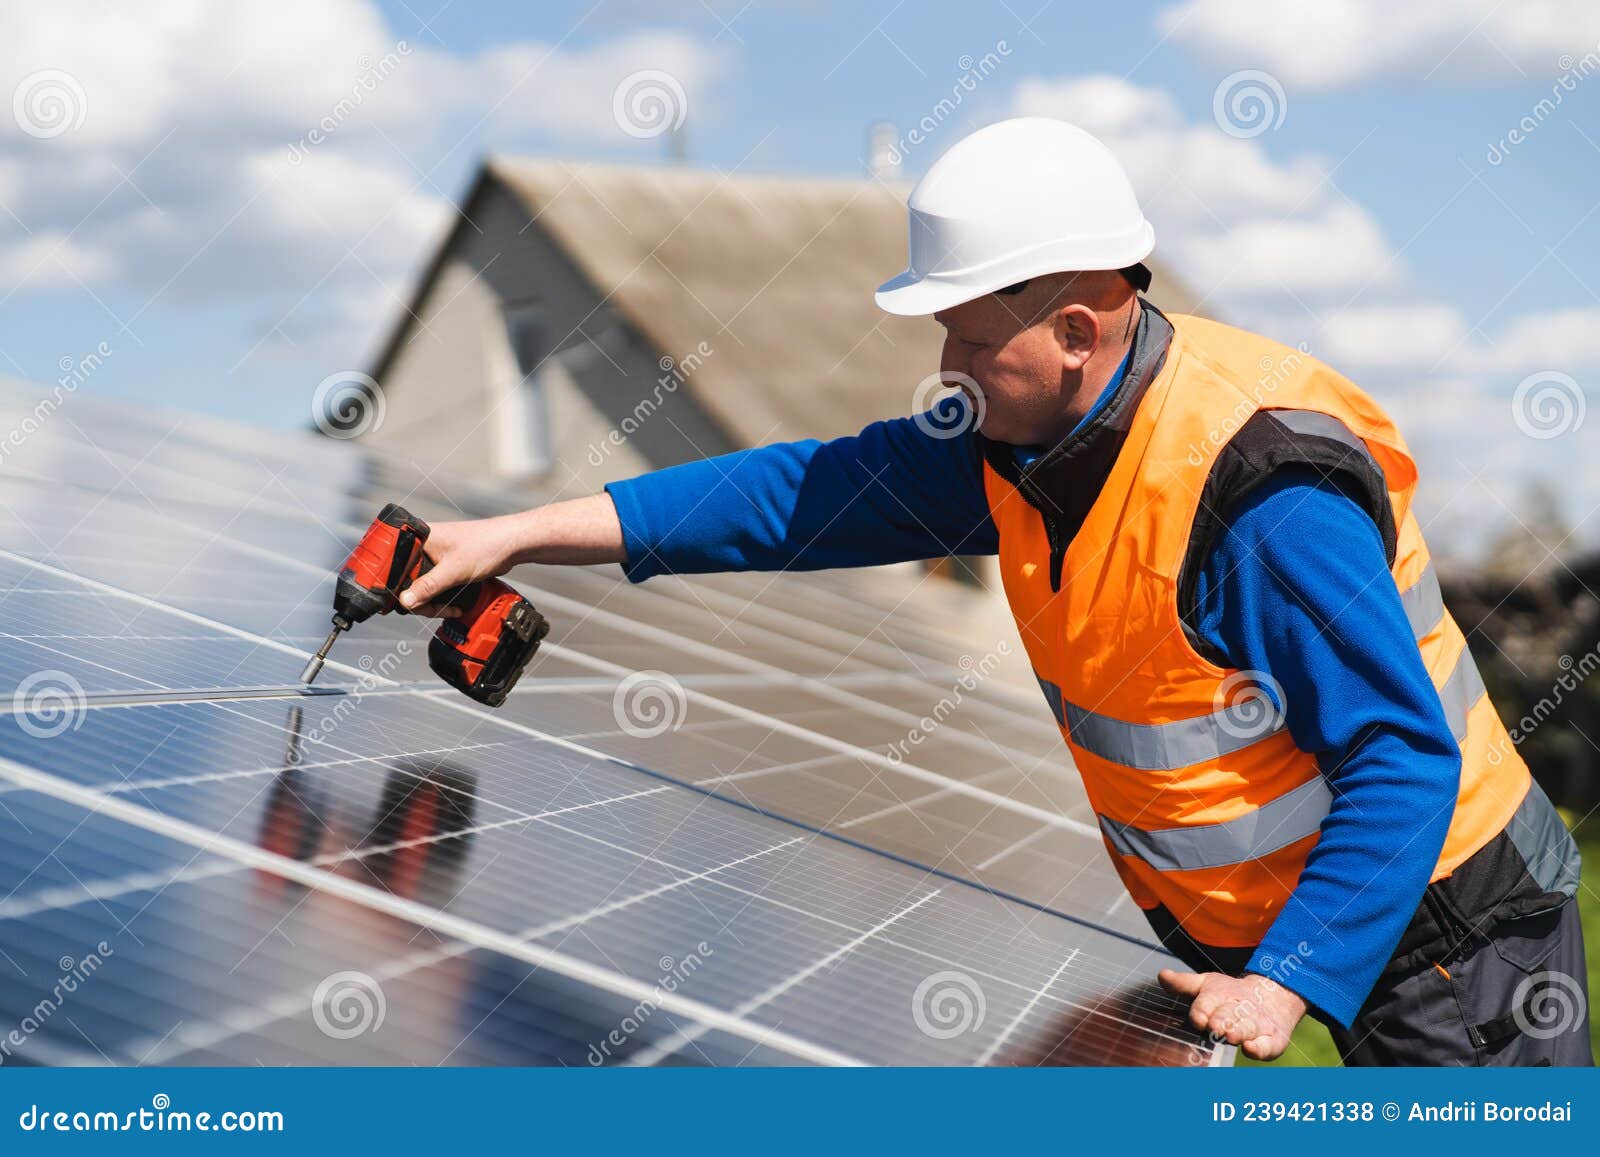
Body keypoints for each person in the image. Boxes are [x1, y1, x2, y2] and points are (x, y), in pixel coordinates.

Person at [398, 118, 1590, 1066]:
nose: (945, 368)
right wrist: (521, 531)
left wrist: (1287, 976)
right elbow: (797, 495)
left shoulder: (1258, 497)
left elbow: (1400, 756)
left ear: (1075, 329)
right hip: (1299, 921)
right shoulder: (1019, 443)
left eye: (969, 336)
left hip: (1457, 938)